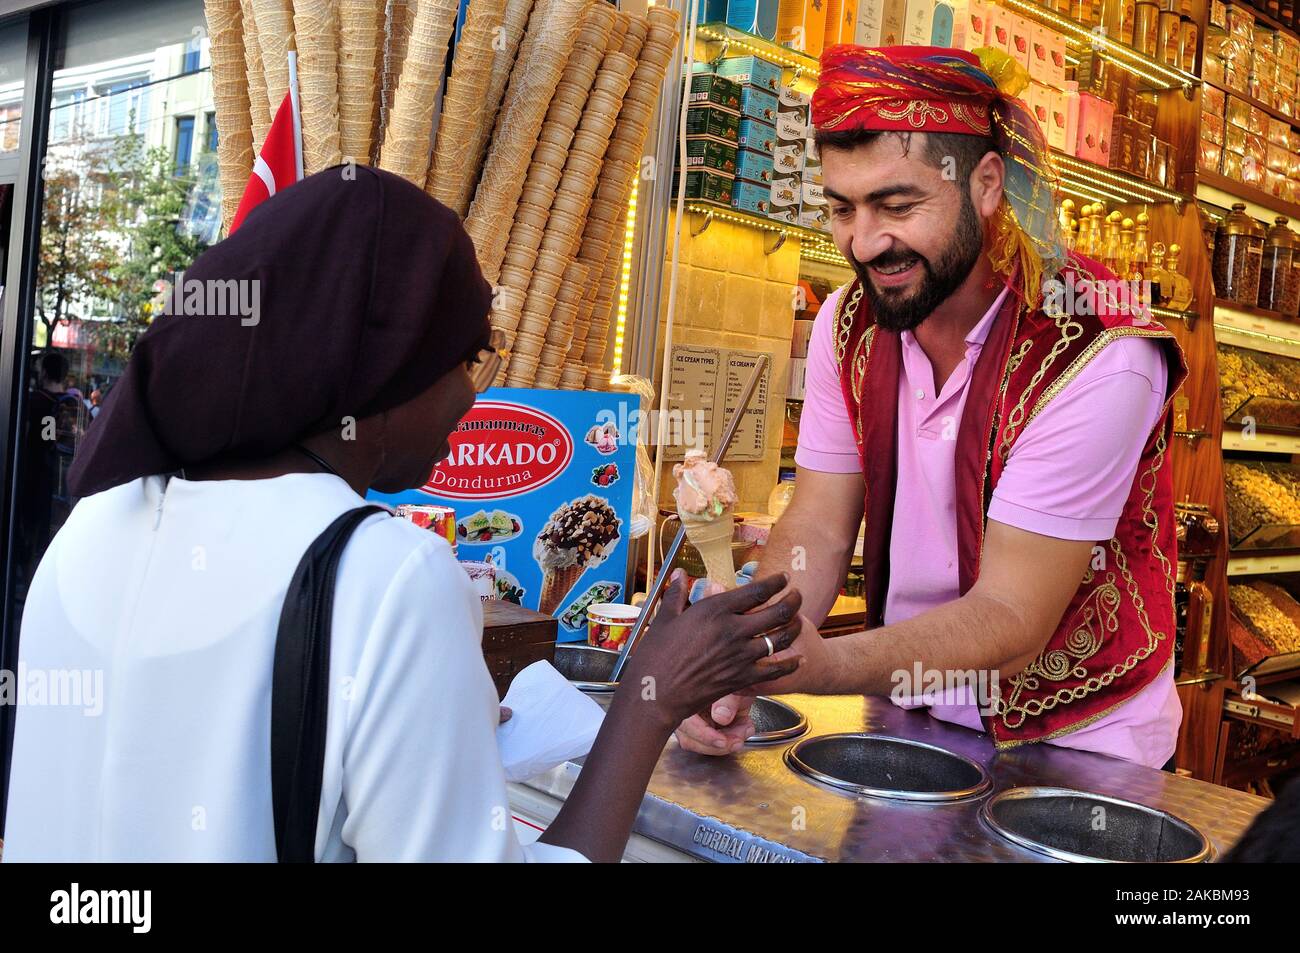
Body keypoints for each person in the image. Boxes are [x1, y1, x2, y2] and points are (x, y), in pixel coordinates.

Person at [2, 166, 804, 862]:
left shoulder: (88, 532)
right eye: (464, 358)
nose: (472, 392)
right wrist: (652, 698)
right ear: (376, 372)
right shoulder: (383, 575)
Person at [676, 45, 1187, 769]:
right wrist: (744, 645)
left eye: (897, 205)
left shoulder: (1097, 348)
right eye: (842, 208)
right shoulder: (848, 322)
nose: (865, 241)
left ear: (985, 185)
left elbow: (1012, 618)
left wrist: (822, 666)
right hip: (910, 718)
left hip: (1081, 753)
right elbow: (818, 526)